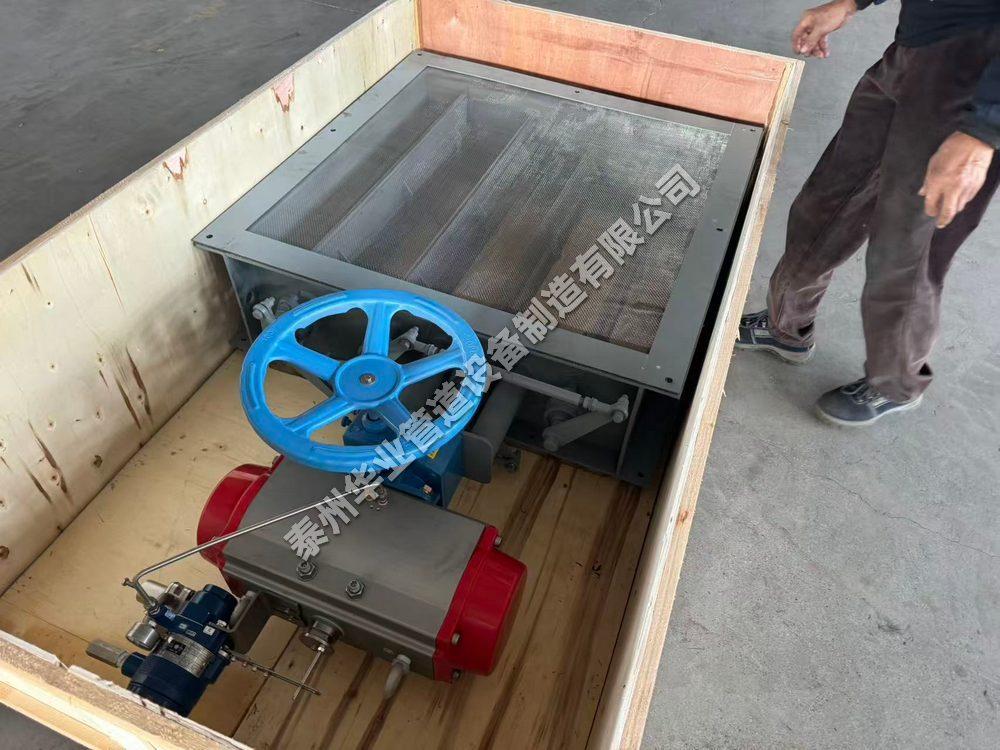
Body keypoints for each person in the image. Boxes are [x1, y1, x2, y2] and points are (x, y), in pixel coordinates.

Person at [737, 0, 1000, 426]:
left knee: (906, 248)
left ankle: (896, 383)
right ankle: (787, 326)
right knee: (826, 203)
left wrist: (984, 131)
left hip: (974, 80)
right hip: (915, 48)